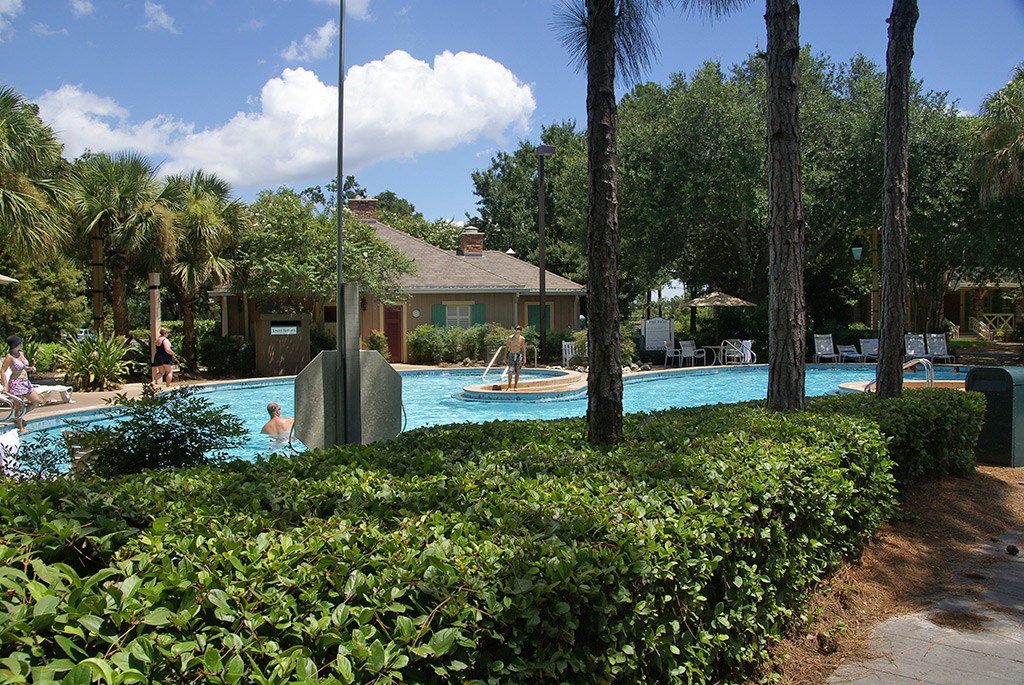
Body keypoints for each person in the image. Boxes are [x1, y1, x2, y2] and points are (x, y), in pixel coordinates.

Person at [1, 335, 43, 431]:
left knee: (37, 401)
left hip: (26, 382)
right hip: (16, 383)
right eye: (19, 343)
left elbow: (23, 367)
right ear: (14, 345)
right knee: (19, 406)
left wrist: (29, 368)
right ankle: (21, 428)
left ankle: (18, 418)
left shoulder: (21, 354)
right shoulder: (9, 357)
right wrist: (5, 386)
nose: (21, 345)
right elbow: (3, 371)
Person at [505, 325, 525, 391]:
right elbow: (507, 347)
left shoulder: (522, 339)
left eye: (518, 331)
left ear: (520, 331)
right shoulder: (510, 338)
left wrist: (524, 358)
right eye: (515, 330)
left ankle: (515, 386)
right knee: (510, 371)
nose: (516, 332)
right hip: (511, 355)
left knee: (517, 371)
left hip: (518, 355)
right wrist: (505, 357)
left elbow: (523, 348)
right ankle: (509, 386)